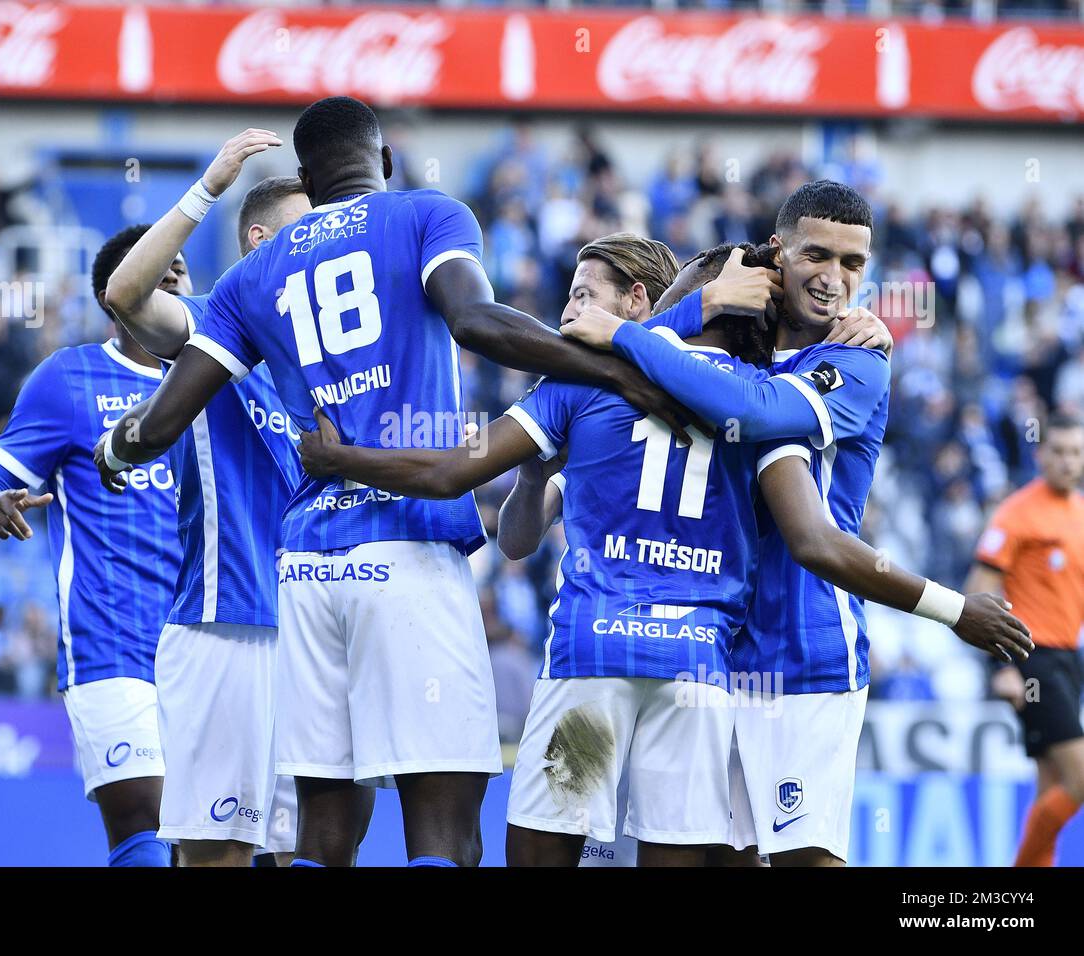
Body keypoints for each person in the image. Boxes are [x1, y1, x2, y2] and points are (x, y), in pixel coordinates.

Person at [93, 96, 758, 867]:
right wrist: (616, 369)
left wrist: (114, 450)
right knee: (445, 832)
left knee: (321, 831)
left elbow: (160, 422)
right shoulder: (425, 215)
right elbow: (476, 322)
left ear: (307, 178)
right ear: (384, 162)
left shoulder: (250, 279)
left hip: (306, 569)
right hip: (409, 550)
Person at [296, 235, 1031, 866]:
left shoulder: (582, 383)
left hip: (592, 663)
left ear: (695, 297)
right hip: (696, 675)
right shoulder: (761, 408)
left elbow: (449, 475)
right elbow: (813, 538)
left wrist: (340, 459)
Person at [562, 181, 1032, 865]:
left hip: (807, 655)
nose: (835, 278)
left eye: (853, 263)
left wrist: (954, 610)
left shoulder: (855, 361)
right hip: (714, 650)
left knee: (803, 860)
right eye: (818, 255)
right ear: (778, 251)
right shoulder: (734, 350)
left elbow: (760, 425)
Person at [103, 132, 311, 867]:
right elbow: (126, 295)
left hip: (315, 628)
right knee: (218, 854)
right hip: (228, 627)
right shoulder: (218, 322)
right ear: (260, 241)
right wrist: (211, 184)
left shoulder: (328, 353)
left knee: (307, 851)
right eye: (307, 228)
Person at [0, 223, 190, 867]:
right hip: (112, 642)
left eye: (182, 267)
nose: (175, 276)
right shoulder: (69, 378)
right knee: (146, 821)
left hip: (210, 640)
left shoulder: (223, 381)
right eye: (160, 268)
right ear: (119, 294)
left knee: (222, 837)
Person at [969, 414, 1084, 867]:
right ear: (1040, 454)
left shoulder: (1079, 513)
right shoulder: (1016, 512)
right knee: (1079, 780)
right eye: (1059, 451)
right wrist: (1001, 666)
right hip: (1033, 660)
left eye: (1076, 452)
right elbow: (979, 593)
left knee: (1051, 784)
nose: (1068, 461)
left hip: (1069, 659)